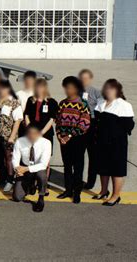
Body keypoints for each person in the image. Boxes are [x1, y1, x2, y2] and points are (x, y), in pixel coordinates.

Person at [93, 79, 134, 206]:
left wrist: (114, 132)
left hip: (117, 143)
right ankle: (104, 191)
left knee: (116, 169)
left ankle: (115, 196)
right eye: (106, 88)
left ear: (117, 91)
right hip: (101, 141)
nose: (108, 91)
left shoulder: (124, 105)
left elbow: (129, 125)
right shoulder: (100, 102)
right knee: (102, 167)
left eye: (111, 89)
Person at [55, 76, 91, 204]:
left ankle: (77, 192)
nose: (67, 90)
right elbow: (57, 121)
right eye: (66, 87)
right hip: (64, 141)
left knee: (78, 166)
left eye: (69, 88)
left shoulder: (83, 105)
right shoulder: (62, 103)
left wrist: (69, 136)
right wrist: (59, 135)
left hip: (77, 140)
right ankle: (68, 190)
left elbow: (84, 124)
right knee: (67, 166)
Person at [24, 78, 58, 192]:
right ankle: (33, 183)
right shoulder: (31, 100)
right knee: (32, 159)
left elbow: (51, 120)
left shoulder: (52, 102)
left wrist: (41, 133)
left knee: (45, 161)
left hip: (46, 135)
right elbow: (27, 116)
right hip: (32, 135)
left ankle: (43, 185)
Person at [0, 79, 23, 192]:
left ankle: (11, 180)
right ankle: (2, 179)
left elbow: (18, 120)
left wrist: (12, 137)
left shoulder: (14, 102)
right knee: (0, 158)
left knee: (10, 158)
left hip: (9, 136)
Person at [12, 123, 52, 212]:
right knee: (17, 197)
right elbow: (15, 159)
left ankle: (41, 197)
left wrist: (26, 169)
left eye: (35, 133)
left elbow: (44, 164)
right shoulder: (19, 141)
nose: (32, 135)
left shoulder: (46, 143)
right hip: (24, 168)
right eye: (30, 133)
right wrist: (17, 169)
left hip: (38, 168)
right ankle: (30, 185)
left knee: (42, 175)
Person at [78, 69, 102, 189]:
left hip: (92, 123)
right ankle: (78, 179)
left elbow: (101, 108)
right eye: (82, 78)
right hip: (79, 124)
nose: (84, 80)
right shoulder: (76, 92)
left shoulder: (96, 92)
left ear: (90, 79)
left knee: (92, 155)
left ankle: (90, 182)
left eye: (86, 78)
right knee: (79, 155)